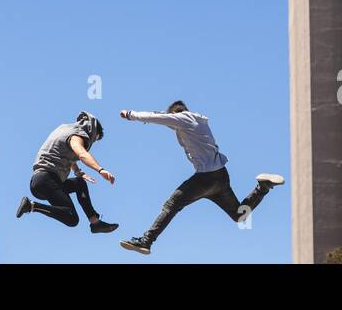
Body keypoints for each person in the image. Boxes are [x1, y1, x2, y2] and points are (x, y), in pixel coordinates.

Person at [117, 101, 283, 254]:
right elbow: (163, 119)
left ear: (175, 113)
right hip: (220, 177)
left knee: (172, 204)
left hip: (205, 178)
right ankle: (262, 187)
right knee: (239, 215)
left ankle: (146, 241)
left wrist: (131, 115)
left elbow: (159, 118)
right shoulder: (195, 122)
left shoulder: (182, 118)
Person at [16, 111, 119, 233]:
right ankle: (31, 206)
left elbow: (66, 154)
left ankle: (95, 222)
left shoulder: (65, 129)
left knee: (79, 182)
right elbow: (81, 154)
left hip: (42, 181)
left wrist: (78, 172)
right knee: (72, 219)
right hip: (47, 180)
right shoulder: (76, 137)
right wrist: (100, 169)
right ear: (92, 131)